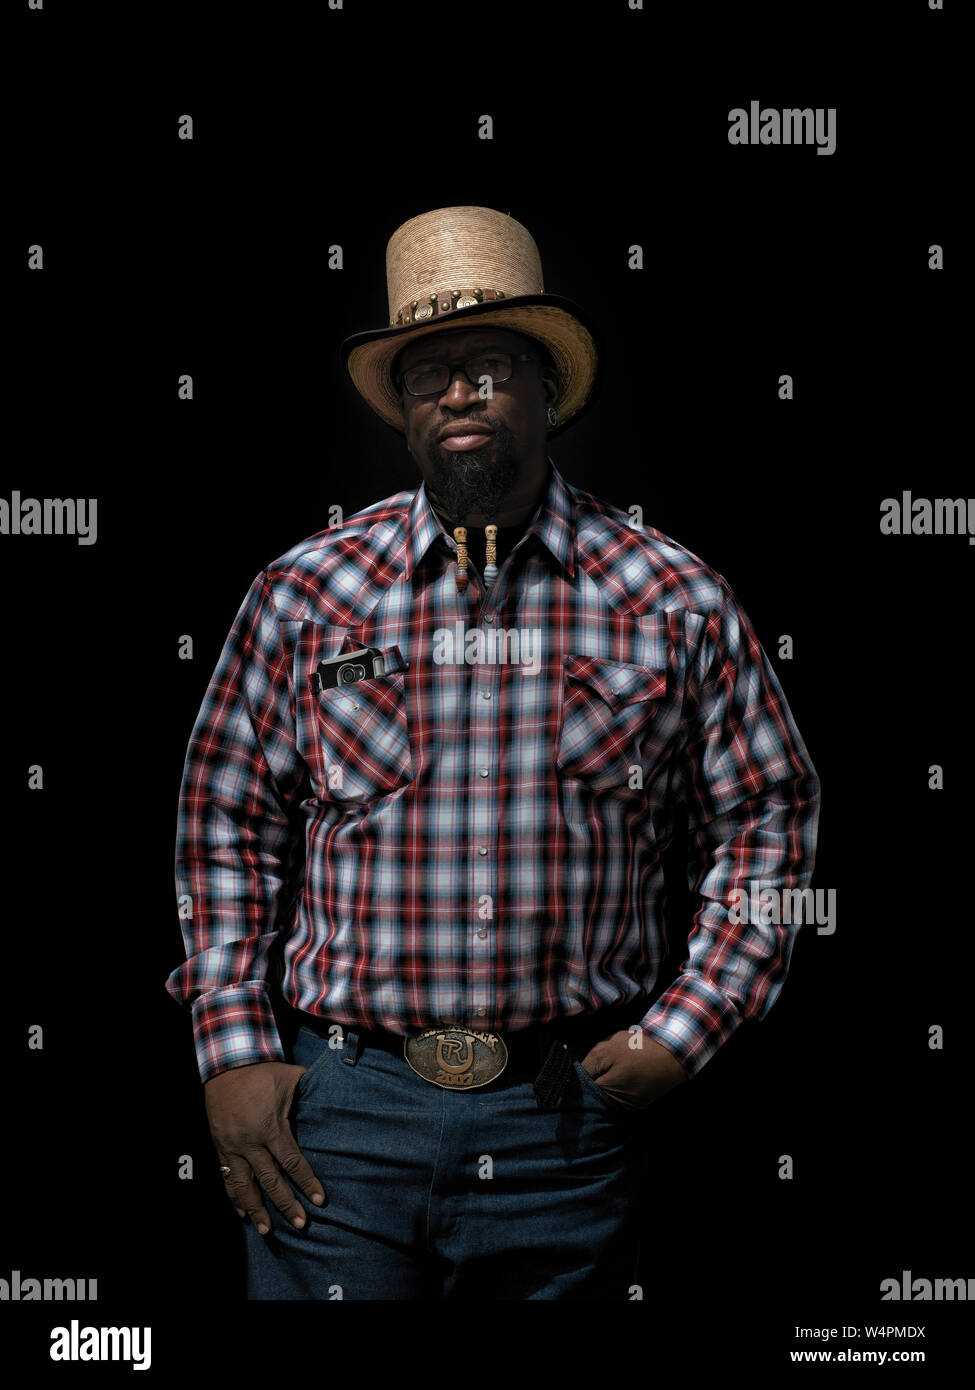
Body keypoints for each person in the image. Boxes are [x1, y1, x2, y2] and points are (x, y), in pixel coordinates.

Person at [167, 205, 821, 1300]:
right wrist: (232, 1047)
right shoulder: (307, 593)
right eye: (430, 374)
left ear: (547, 389)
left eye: (489, 365)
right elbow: (223, 825)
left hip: (564, 1120)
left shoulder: (673, 597)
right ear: (403, 410)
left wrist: (688, 1025)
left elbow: (769, 816)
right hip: (338, 1116)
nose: (459, 394)